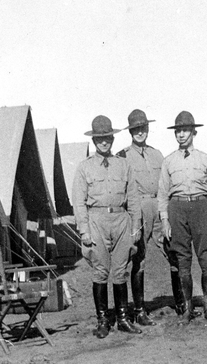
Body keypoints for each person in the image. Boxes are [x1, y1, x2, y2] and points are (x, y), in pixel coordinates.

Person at [72, 115, 143, 338]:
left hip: (121, 220)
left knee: (120, 270)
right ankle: (103, 320)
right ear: (94, 141)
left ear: (112, 138)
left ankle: (122, 318)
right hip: (97, 222)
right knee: (100, 270)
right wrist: (84, 230)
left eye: (108, 138)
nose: (104, 142)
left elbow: (133, 197)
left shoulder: (123, 165)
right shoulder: (84, 168)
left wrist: (136, 226)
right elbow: (79, 202)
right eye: (100, 139)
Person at [157, 111, 207, 324]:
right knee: (182, 260)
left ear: (193, 132)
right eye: (178, 131)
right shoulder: (168, 162)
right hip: (177, 209)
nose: (181, 135)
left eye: (185, 130)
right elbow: (162, 194)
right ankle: (186, 308)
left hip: (201, 207)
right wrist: (165, 220)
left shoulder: (205, 159)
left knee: (205, 258)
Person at [115, 109, 171, 325]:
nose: (140, 132)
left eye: (143, 128)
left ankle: (182, 304)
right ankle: (139, 310)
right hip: (138, 208)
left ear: (148, 128)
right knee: (138, 257)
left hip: (160, 205)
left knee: (172, 249)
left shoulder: (157, 154)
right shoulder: (122, 156)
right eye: (136, 129)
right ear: (130, 131)